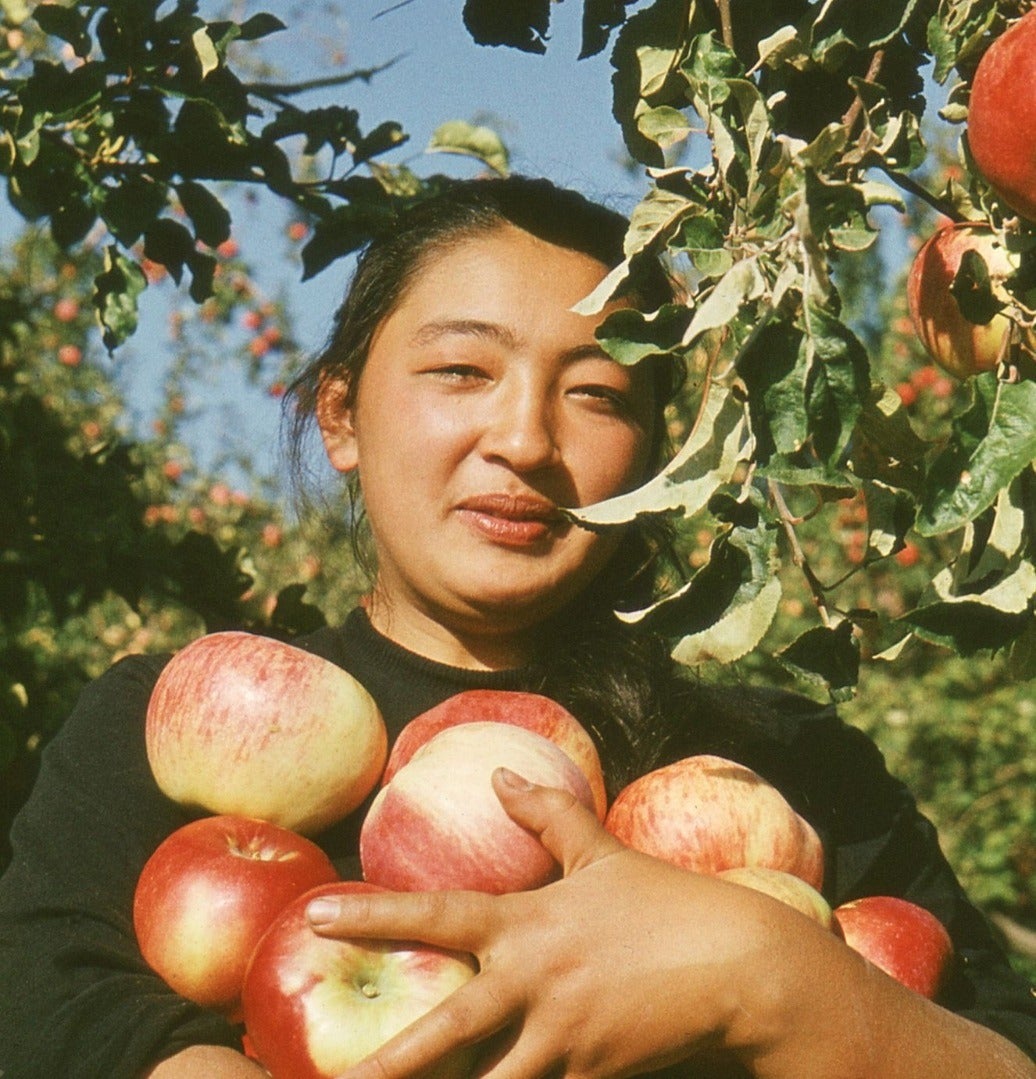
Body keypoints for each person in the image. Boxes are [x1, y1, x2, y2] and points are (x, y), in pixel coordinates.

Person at [0, 176, 1033, 1079]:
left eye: (597, 392)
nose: (528, 439)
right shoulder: (160, 730)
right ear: (342, 417)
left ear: (652, 460)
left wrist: (763, 973)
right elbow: (44, 992)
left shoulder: (787, 768)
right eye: (461, 371)